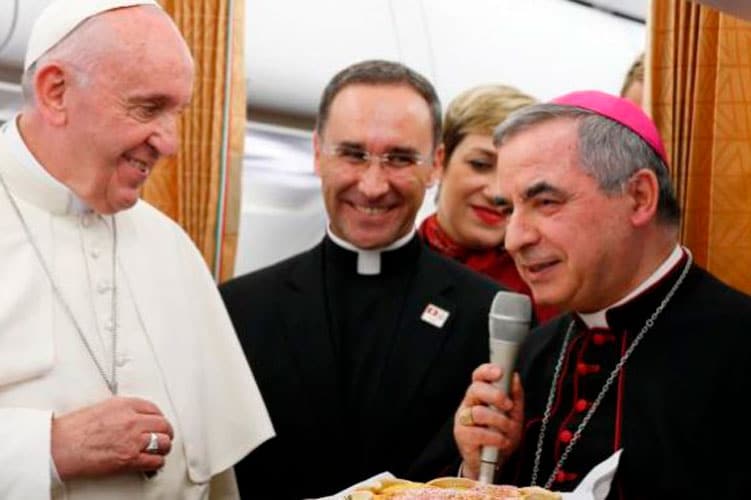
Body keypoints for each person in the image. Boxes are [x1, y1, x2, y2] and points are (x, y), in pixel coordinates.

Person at [0, 1, 273, 498]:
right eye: (148, 109)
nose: (170, 144)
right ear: (56, 92)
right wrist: (47, 447)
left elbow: (216, 477)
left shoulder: (170, 245)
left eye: (177, 113)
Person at [220, 60, 501, 499]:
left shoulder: (488, 315)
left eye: (399, 158)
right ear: (318, 154)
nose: (372, 186)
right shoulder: (238, 309)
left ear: (435, 164)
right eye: (352, 154)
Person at [453, 90, 751, 497]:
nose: (514, 239)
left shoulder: (739, 346)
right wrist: (480, 469)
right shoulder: (530, 354)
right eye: (510, 210)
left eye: (545, 202)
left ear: (639, 197)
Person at [418, 84, 558, 324]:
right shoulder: (391, 262)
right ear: (440, 161)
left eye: (517, 174)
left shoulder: (549, 287)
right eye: (480, 165)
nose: (497, 193)